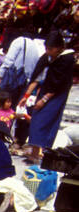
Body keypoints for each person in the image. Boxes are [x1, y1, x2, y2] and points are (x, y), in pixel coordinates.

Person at [19, 30, 76, 161]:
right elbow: (37, 77)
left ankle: (42, 152)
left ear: (59, 48)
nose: (48, 51)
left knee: (47, 121)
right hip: (45, 90)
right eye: (47, 48)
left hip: (57, 94)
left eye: (51, 49)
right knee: (36, 120)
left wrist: (44, 100)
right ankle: (34, 152)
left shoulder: (67, 59)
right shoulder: (46, 57)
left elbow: (59, 82)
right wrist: (26, 96)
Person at [0, 32, 44, 107]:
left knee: (0, 104)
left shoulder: (18, 41)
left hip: (10, 80)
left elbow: (8, 61)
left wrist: (0, 77)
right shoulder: (38, 47)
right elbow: (38, 76)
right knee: (12, 106)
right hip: (23, 82)